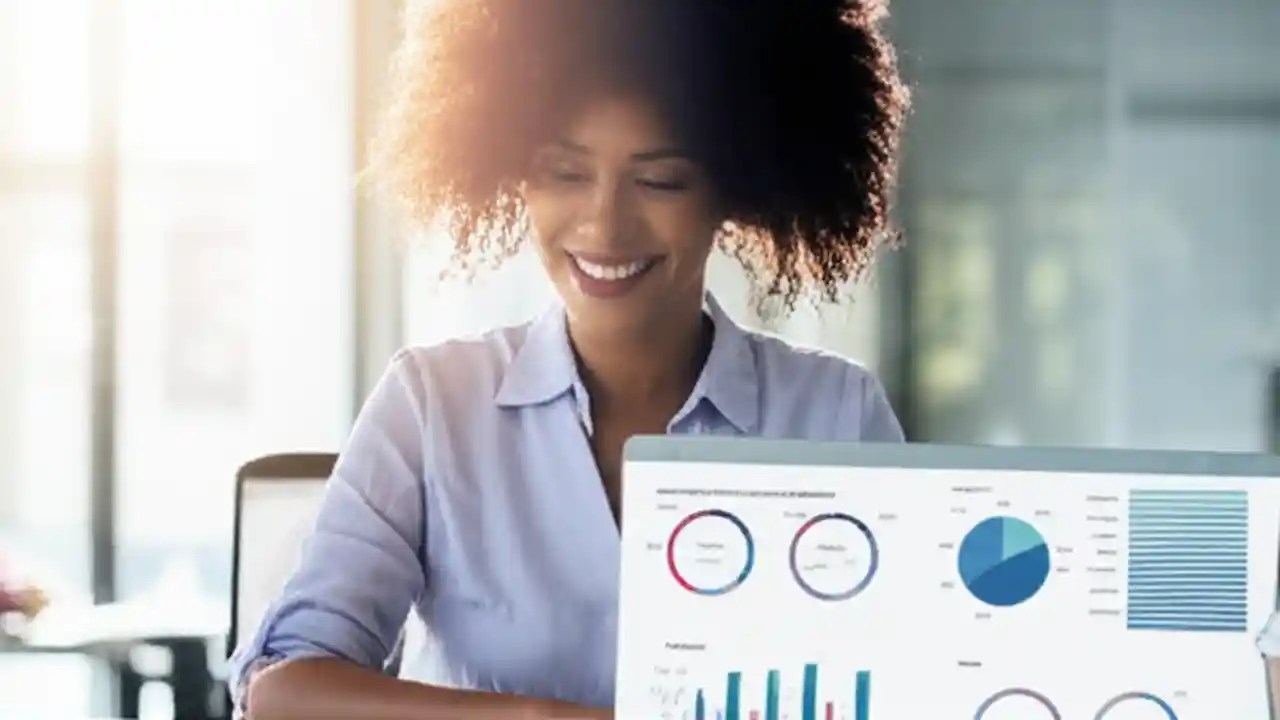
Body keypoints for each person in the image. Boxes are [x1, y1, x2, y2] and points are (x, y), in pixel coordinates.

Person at [228, 0, 911, 718]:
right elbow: (283, 690)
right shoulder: (432, 405)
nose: (605, 223)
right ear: (514, 177)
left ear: (732, 193)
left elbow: (914, 676)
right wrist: (536, 717)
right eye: (564, 173)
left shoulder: (835, 415)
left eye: (661, 181)